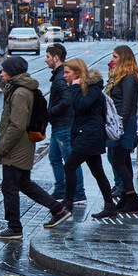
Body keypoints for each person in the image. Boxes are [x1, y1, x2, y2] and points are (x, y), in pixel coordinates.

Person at [0, 56, 69, 240]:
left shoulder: (20, 93)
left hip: (17, 147)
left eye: (4, 70)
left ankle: (15, 227)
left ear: (12, 72)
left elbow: (17, 125)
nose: (1, 73)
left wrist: (2, 147)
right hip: (22, 146)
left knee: (9, 187)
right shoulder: (19, 90)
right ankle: (58, 209)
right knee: (24, 183)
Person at [52, 58, 118, 222]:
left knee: (70, 165)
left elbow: (81, 105)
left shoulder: (93, 87)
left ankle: (68, 204)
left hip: (90, 136)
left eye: (67, 72)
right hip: (85, 135)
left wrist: (74, 86)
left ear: (77, 73)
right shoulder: (82, 87)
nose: (64, 76)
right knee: (98, 172)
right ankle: (110, 206)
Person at [44, 44, 85, 204]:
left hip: (64, 124)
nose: (46, 60)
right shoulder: (59, 75)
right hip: (59, 125)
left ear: (56, 58)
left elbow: (67, 100)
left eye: (48, 57)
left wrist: (51, 111)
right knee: (54, 157)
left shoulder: (61, 77)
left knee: (70, 159)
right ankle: (61, 189)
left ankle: (78, 192)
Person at [105, 44, 138, 213]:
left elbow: (127, 105)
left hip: (123, 124)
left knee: (119, 160)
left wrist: (120, 127)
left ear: (123, 58)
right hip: (119, 122)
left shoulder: (128, 78)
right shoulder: (119, 76)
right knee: (122, 160)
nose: (112, 60)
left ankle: (132, 197)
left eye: (115, 57)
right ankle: (127, 197)